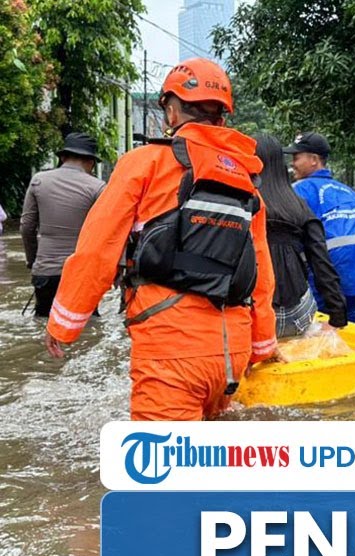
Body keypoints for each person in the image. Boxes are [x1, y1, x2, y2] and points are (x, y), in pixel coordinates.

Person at [42, 58, 276, 420]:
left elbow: (97, 250)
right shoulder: (244, 178)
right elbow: (260, 271)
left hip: (170, 351)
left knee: (162, 472)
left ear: (171, 109)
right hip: (233, 354)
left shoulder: (144, 163)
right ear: (222, 117)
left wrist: (64, 323)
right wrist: (263, 345)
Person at [252, 133, 348, 338]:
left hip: (255, 322)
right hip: (297, 318)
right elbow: (322, 263)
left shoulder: (242, 203)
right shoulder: (299, 206)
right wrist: (337, 318)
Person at [284, 131, 355, 323]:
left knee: (316, 334)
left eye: (296, 157)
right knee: (349, 332)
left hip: (324, 280)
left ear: (314, 160)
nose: (292, 163)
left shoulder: (299, 191)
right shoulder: (351, 194)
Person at [19, 132, 105, 317]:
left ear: (63, 157)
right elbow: (105, 233)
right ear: (90, 162)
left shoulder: (38, 181)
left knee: (44, 322)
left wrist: (34, 261)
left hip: (45, 271)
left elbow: (26, 227)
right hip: (81, 274)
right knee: (84, 327)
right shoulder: (98, 187)